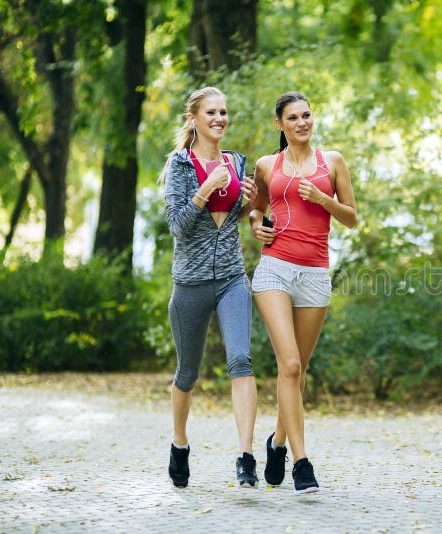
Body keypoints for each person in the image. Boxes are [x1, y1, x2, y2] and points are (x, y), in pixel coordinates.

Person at [248, 91, 358, 494]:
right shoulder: (267, 165)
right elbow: (257, 209)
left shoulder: (333, 162)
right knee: (289, 365)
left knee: (298, 370)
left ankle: (276, 443)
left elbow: (352, 218)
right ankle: (302, 463)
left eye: (307, 115)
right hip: (275, 268)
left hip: (314, 273)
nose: (301, 122)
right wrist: (257, 223)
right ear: (280, 125)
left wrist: (323, 198)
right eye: (293, 117)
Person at [161, 86, 261, 489]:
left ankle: (245, 457)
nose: (220, 119)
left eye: (224, 112)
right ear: (194, 119)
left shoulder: (236, 161)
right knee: (187, 373)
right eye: (211, 112)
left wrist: (249, 205)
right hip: (190, 284)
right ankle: (180, 443)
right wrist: (205, 189)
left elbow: (231, 219)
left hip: (233, 278)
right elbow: (178, 226)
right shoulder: (180, 166)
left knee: (241, 360)